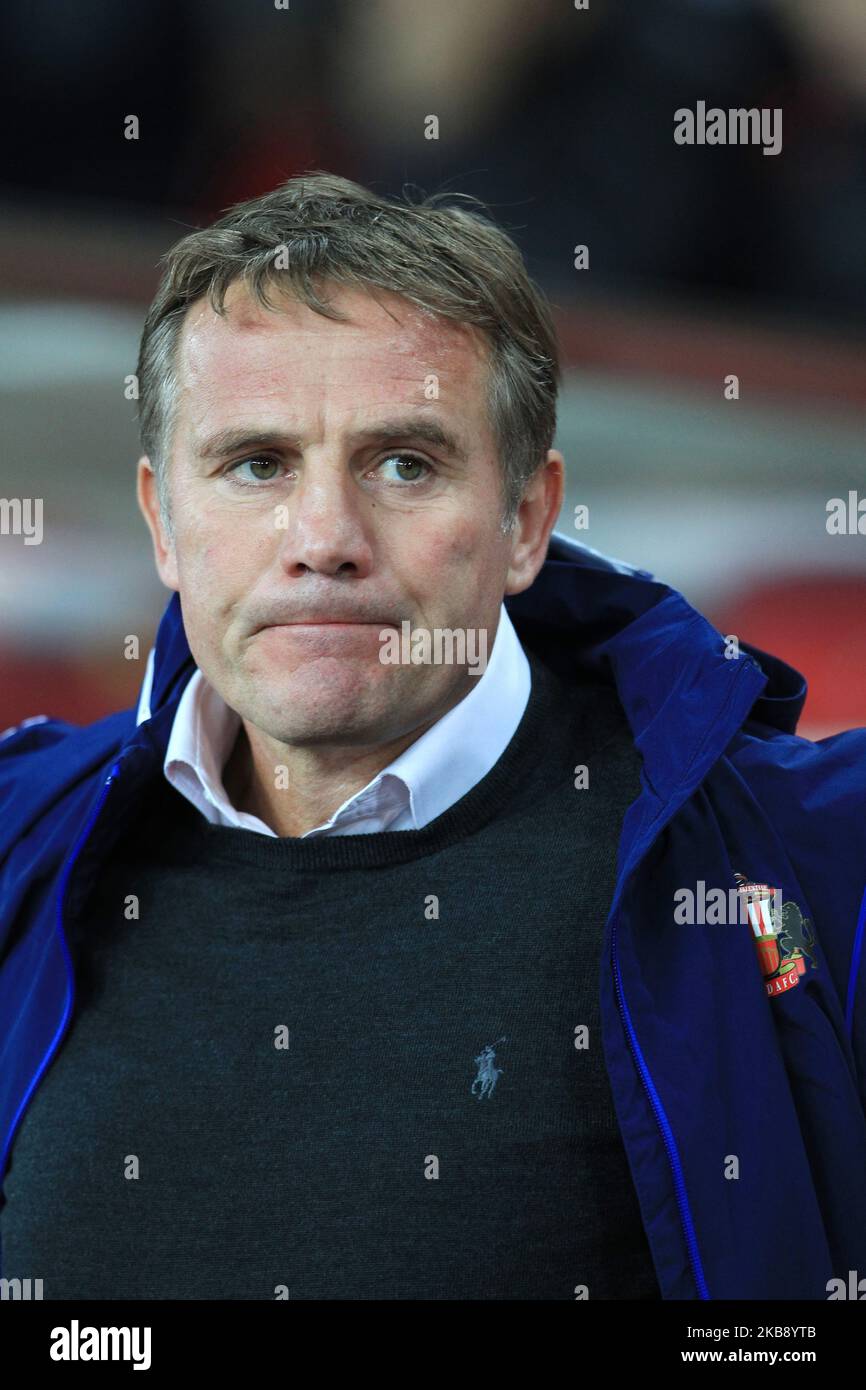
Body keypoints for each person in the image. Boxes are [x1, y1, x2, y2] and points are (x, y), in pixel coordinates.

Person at [0, 171, 864, 1301]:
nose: (323, 538)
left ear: (526, 520)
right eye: (255, 464)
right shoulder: (19, 847)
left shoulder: (814, 862)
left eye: (404, 463)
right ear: (164, 520)